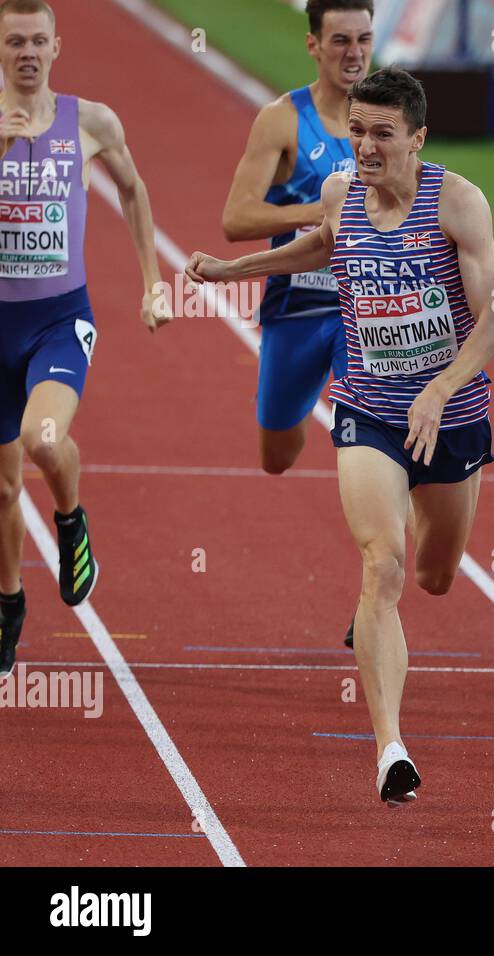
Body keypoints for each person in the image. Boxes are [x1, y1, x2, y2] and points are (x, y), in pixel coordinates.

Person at [186, 68, 494, 803]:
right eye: (356, 130)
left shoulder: (457, 203)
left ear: (417, 139)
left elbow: (492, 321)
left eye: (381, 135)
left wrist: (439, 388)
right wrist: (239, 267)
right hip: (368, 410)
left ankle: (410, 549)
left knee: (435, 573)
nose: (362, 146)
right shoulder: (341, 194)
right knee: (383, 563)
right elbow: (324, 245)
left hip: (451, 416)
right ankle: (391, 746)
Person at [0, 0, 170, 680]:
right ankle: (8, 601)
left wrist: (153, 281)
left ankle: (71, 519)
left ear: (57, 45)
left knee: (44, 440)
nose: (28, 53)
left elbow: (133, 190)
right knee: (4, 490)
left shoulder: (91, 121)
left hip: (58, 319)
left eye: (39, 40)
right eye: (15, 42)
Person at [221, 0, 372, 476]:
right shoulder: (283, 120)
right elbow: (236, 218)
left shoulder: (390, 117)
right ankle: (295, 395)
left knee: (368, 442)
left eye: (364, 40)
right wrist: (324, 210)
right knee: (277, 458)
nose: (354, 54)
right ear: (313, 44)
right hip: (297, 306)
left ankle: (381, 545)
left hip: (367, 307)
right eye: (341, 41)